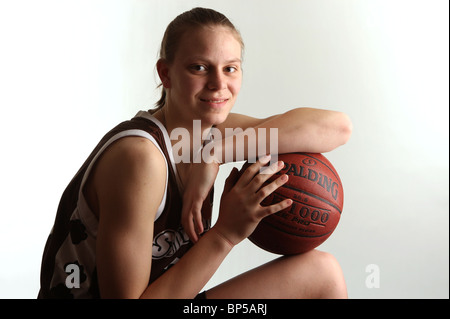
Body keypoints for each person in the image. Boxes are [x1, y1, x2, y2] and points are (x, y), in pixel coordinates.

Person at [38, 7, 352, 299]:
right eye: (199, 68)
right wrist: (225, 235)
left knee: (323, 272)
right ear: (166, 74)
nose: (219, 84)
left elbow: (337, 128)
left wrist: (215, 153)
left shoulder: (210, 132)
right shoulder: (140, 158)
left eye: (230, 69)